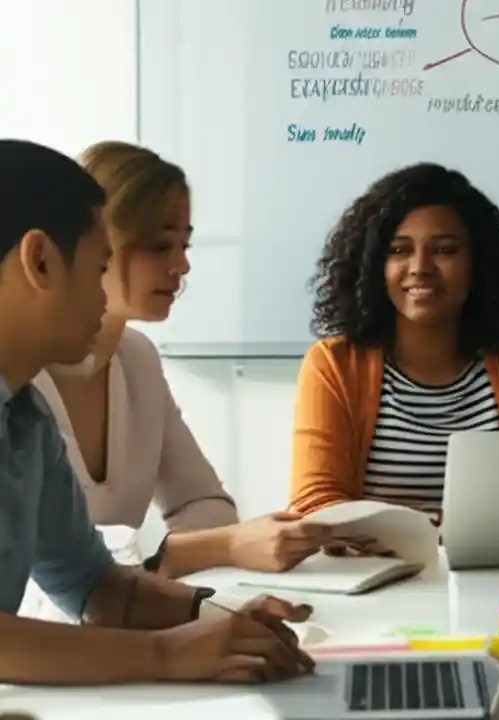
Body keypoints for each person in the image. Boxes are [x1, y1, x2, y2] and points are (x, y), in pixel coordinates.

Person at [0, 138, 310, 684]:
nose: (103, 299)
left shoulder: (26, 417)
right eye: (99, 268)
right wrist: (169, 653)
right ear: (41, 261)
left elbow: (95, 585)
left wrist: (219, 617)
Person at [290, 163, 499, 519]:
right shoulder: (333, 364)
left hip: (498, 569)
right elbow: (316, 503)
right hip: (380, 568)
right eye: (399, 250)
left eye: (444, 250)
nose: (420, 267)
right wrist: (418, 539)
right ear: (371, 266)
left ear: (478, 264)